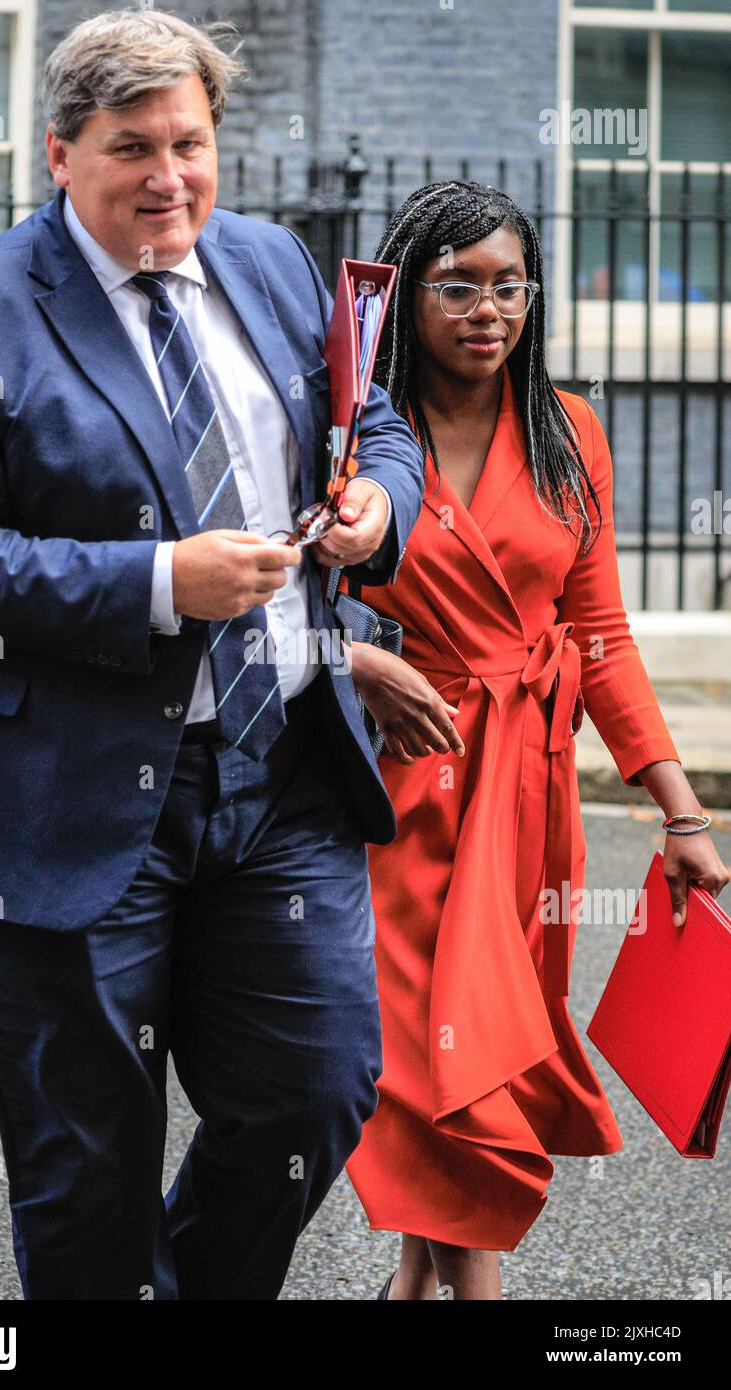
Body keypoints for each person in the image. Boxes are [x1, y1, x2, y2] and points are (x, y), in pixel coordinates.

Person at [0, 9, 425, 1300]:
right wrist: (163, 581)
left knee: (312, 1092)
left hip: (273, 771)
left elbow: (374, 421)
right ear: (59, 154)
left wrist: (375, 504)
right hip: (57, 790)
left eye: (189, 141)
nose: (170, 175)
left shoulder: (274, 264)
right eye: (132, 148)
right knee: (87, 1173)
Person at [340, 181, 730, 1300]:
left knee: (477, 1051)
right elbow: (288, 601)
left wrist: (679, 810)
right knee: (425, 1056)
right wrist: (354, 664)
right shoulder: (361, 435)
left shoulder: (568, 432)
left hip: (526, 798)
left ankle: (415, 1287)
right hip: (396, 789)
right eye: (455, 285)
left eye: (506, 285)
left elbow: (599, 635)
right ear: (408, 295)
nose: (485, 309)